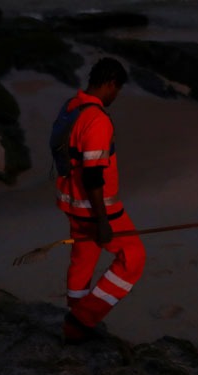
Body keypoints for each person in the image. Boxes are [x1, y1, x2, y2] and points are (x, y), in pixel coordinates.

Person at [55, 57, 146, 344]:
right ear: (109, 84)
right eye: (117, 89)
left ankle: (75, 318)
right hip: (97, 209)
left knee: (83, 260)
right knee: (133, 258)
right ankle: (83, 318)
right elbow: (94, 176)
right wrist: (103, 221)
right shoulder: (96, 119)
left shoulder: (70, 107)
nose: (116, 96)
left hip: (71, 204)